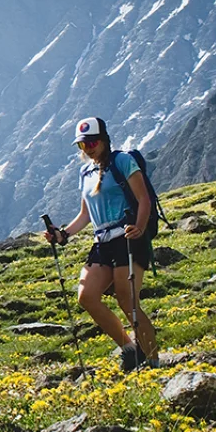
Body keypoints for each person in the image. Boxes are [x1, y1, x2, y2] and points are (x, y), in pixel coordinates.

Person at [43, 116, 157, 371]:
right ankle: (130, 349)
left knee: (127, 300)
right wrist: (63, 235)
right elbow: (85, 214)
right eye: (83, 145)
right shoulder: (85, 172)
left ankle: (153, 360)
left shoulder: (123, 162)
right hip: (102, 242)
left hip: (128, 238)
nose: (89, 148)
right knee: (87, 296)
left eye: (93, 142)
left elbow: (144, 199)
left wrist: (139, 227)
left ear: (104, 140)